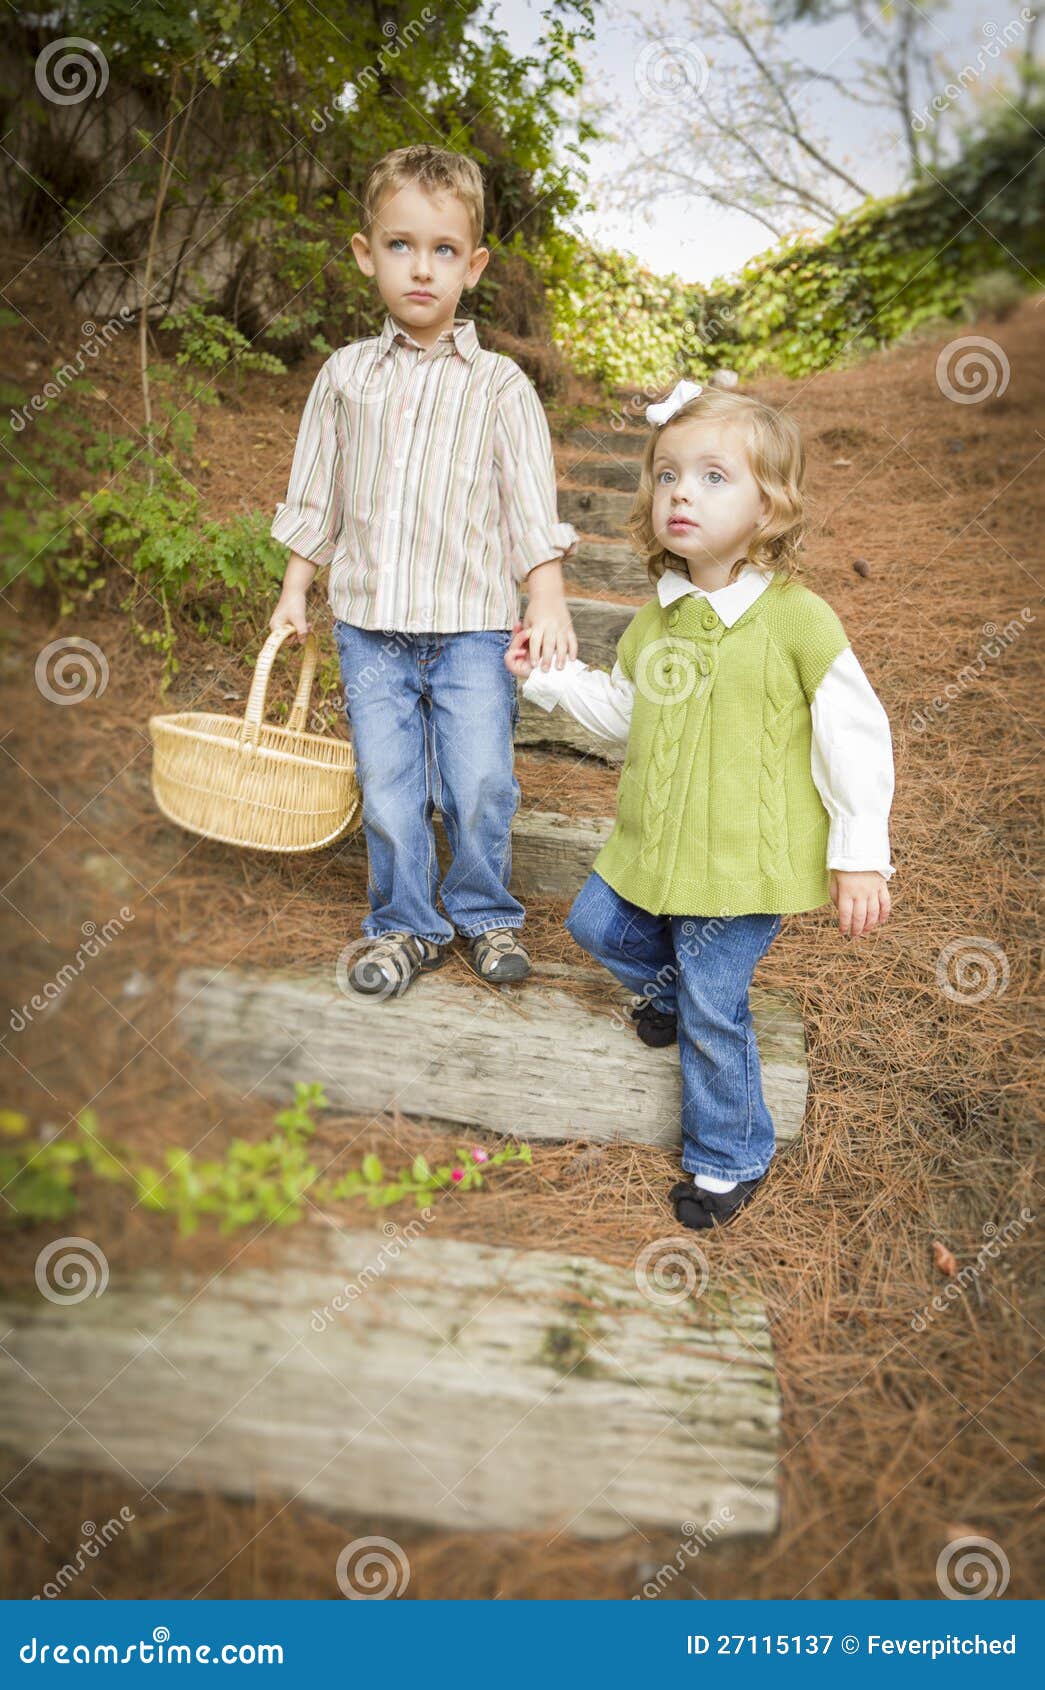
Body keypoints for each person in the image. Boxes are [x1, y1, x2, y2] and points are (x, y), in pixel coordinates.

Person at [505, 378, 895, 1230]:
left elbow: (854, 735)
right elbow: (621, 708)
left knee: (719, 1004)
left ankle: (730, 1152)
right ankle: (664, 993)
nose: (681, 491)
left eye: (713, 476)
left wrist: (859, 850)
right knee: (597, 925)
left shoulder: (798, 621)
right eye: (667, 475)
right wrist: (551, 681)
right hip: (654, 843)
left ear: (768, 507)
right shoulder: (657, 622)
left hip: (744, 864)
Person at [269, 144, 577, 998]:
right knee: (389, 787)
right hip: (370, 627)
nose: (420, 267)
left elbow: (525, 499)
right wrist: (297, 586)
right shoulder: (344, 377)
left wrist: (544, 591)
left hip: (473, 624)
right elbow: (316, 492)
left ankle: (483, 911)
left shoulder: (500, 387)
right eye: (400, 245)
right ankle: (403, 924)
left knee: (480, 777)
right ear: (366, 254)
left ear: (472, 267)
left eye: (444, 250)